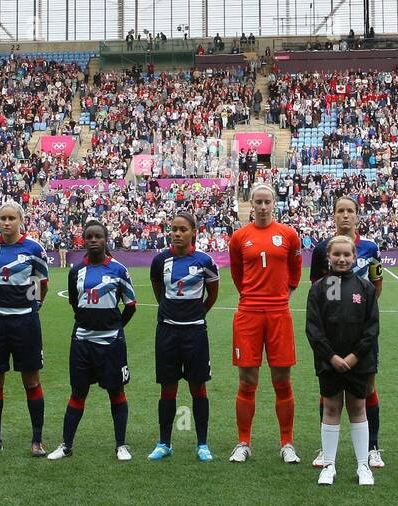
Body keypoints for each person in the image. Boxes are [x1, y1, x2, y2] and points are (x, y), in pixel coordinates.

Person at [228, 183, 303, 463]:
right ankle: (243, 442)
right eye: (257, 202)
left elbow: (295, 269)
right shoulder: (239, 237)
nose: (262, 207)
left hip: (278, 313)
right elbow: (237, 273)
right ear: (250, 203)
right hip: (248, 314)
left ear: (274, 204)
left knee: (282, 380)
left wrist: (287, 291)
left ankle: (287, 443)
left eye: (266, 202)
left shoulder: (288, 235)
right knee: (247, 380)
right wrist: (251, 295)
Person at [49, 220, 137, 460]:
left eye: (98, 236)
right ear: (84, 240)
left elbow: (130, 305)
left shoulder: (118, 270)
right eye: (89, 237)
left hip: (111, 342)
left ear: (106, 239)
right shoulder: (76, 271)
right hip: (82, 341)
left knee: (116, 392)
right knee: (77, 393)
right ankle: (66, 445)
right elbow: (75, 304)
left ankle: (121, 445)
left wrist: (116, 326)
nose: (94, 240)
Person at [309, 196, 385, 469]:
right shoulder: (322, 250)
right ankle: (325, 449)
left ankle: (373, 446)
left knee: (367, 387)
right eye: (340, 211)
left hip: (361, 331)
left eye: (350, 211)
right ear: (333, 215)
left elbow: (376, 284)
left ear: (357, 215)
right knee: (328, 389)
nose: (345, 215)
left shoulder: (370, 247)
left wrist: (362, 316)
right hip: (331, 333)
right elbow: (320, 291)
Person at [0, 201, 50, 457]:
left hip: (26, 323)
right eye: (3, 218)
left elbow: (41, 284)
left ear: (21, 220)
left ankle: (37, 439)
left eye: (11, 218)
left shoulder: (33, 249)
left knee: (31, 381)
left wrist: (30, 307)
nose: (7, 223)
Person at [147, 211, 220, 461]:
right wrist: (168, 309)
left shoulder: (205, 261)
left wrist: (197, 313)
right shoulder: (160, 260)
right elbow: (158, 287)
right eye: (174, 229)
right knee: (168, 388)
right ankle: (164, 443)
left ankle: (202, 444)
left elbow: (212, 295)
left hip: (194, 331)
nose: (177, 234)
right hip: (167, 330)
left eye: (183, 230)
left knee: (197, 387)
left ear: (193, 233)